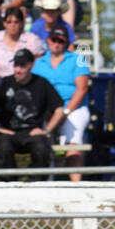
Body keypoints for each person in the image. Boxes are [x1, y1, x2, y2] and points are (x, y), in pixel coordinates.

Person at [0, 47, 65, 174]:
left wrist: (47, 130)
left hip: (33, 133)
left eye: (22, 66)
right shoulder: (5, 83)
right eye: (15, 65)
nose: (17, 70)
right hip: (8, 132)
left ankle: (36, 184)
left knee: (42, 149)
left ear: (31, 65)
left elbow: (59, 109)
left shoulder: (42, 83)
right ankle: (8, 184)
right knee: (4, 148)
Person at [33, 28, 90, 180]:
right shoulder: (39, 62)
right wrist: (48, 113)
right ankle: (42, 184)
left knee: (73, 145)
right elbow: (36, 90)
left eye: (61, 40)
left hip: (74, 109)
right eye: (54, 40)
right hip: (47, 110)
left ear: (66, 43)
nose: (57, 44)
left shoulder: (78, 59)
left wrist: (65, 112)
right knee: (38, 143)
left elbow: (82, 88)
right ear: (48, 41)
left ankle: (76, 187)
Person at [0, 6, 43, 78]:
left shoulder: (33, 39)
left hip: (26, 83)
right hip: (3, 83)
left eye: (16, 22)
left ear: (21, 23)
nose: (13, 25)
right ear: (4, 23)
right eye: (9, 22)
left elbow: (39, 64)